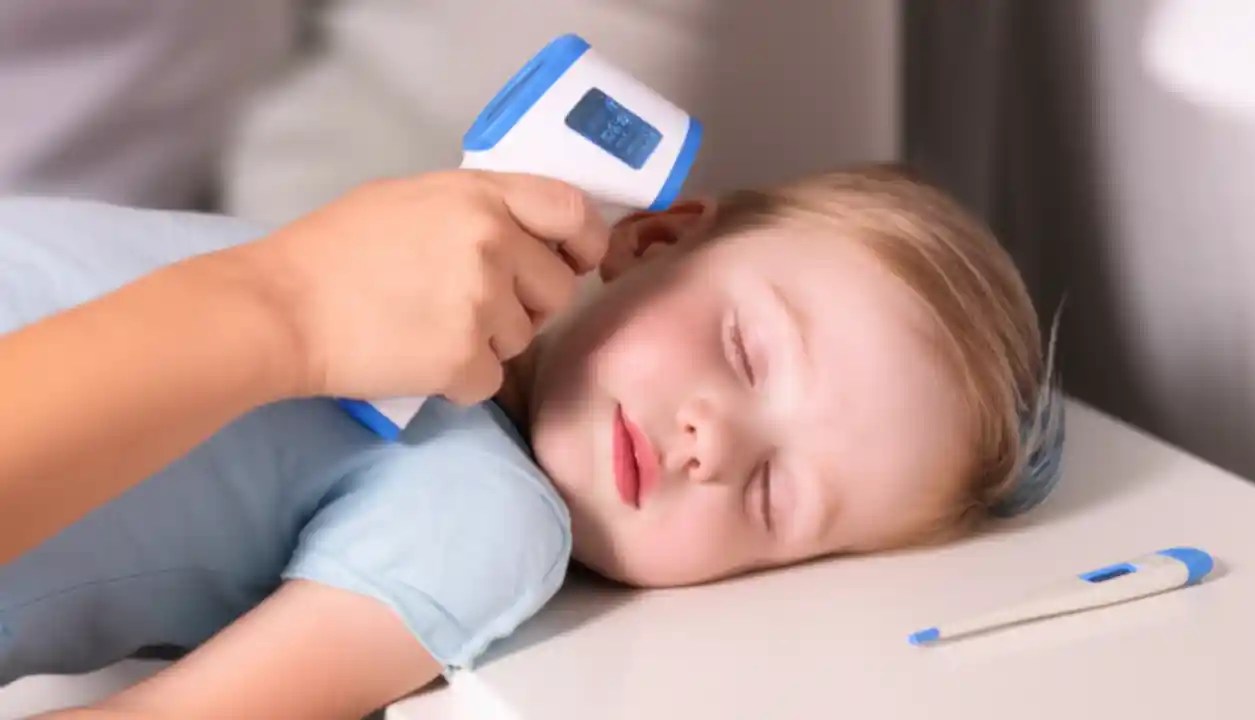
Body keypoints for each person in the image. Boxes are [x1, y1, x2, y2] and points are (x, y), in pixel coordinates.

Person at [0, 165, 1063, 718]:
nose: (712, 445)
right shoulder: (401, 257)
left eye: (776, 495)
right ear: (654, 238)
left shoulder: (487, 520)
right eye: (744, 352)